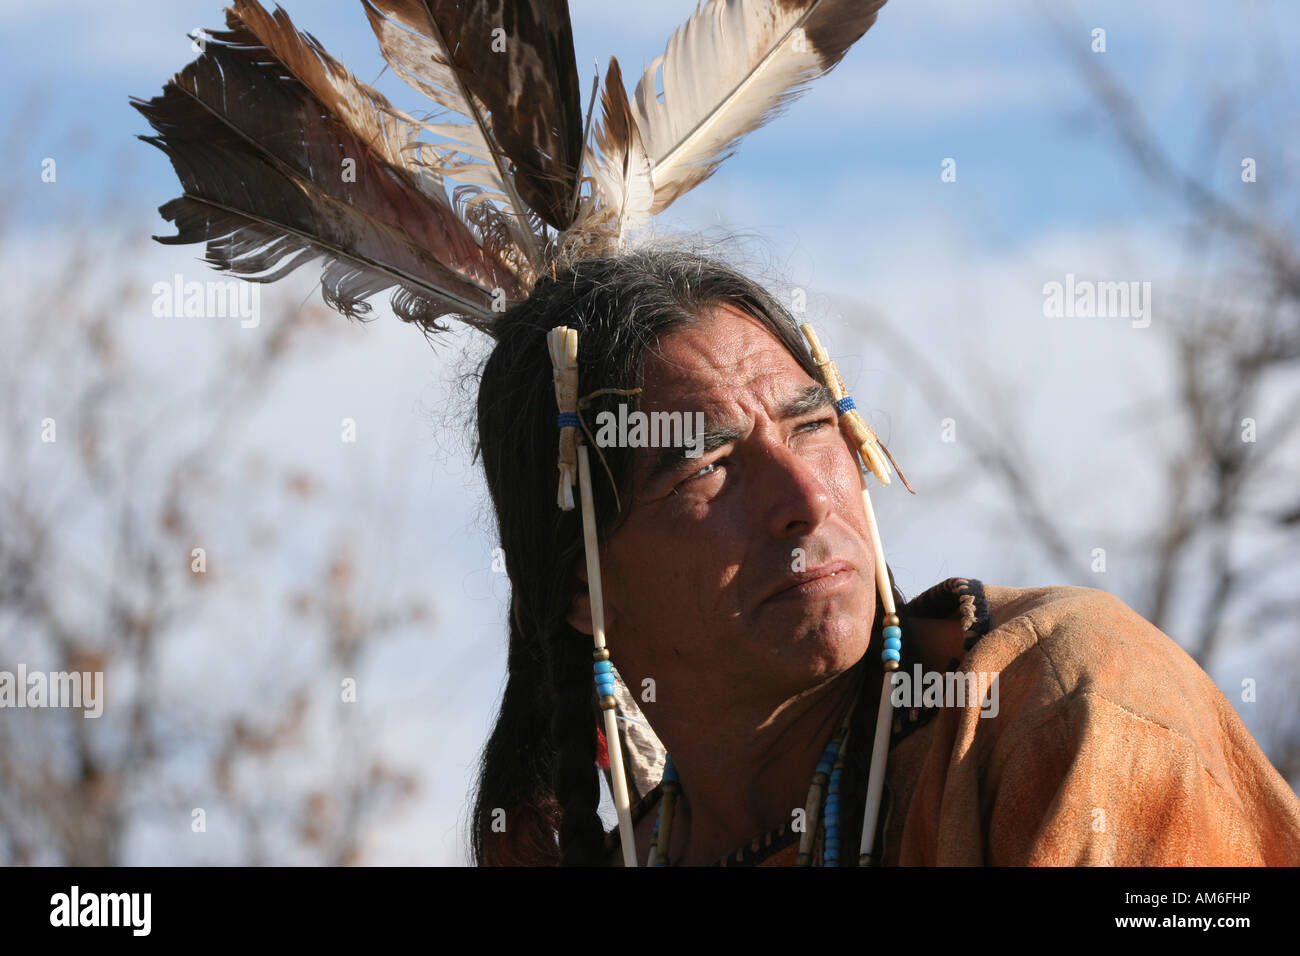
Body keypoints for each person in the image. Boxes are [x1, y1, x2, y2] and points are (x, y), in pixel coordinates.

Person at [470, 244, 1300, 866]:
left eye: (812, 426)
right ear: (586, 586)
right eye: (709, 464)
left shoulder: (1061, 703)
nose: (807, 499)